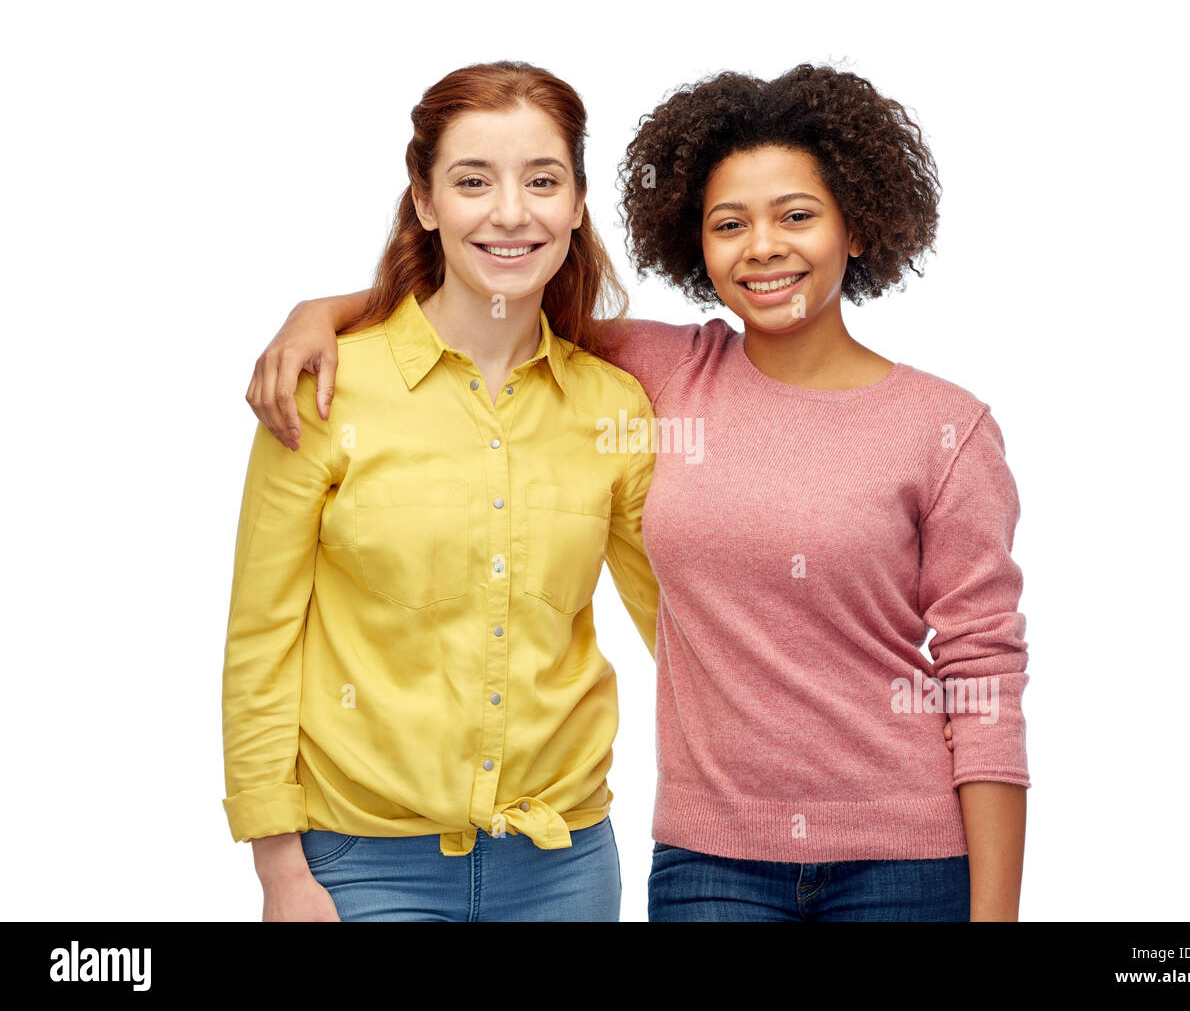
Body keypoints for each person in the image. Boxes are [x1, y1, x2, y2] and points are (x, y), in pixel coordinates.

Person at [249, 65, 1013, 923]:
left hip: (880, 852)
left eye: (798, 214)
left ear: (859, 226)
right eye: (730, 223)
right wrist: (326, 311)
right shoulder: (659, 375)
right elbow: (492, 291)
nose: (763, 245)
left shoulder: (935, 425)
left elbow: (984, 673)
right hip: (697, 860)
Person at [222, 61, 662, 922]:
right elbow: (262, 642)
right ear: (424, 200)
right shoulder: (322, 388)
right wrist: (279, 869)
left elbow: (682, 622)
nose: (510, 212)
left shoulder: (615, 406)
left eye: (542, 181)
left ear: (576, 202)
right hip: (359, 866)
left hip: (565, 866)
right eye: (473, 181)